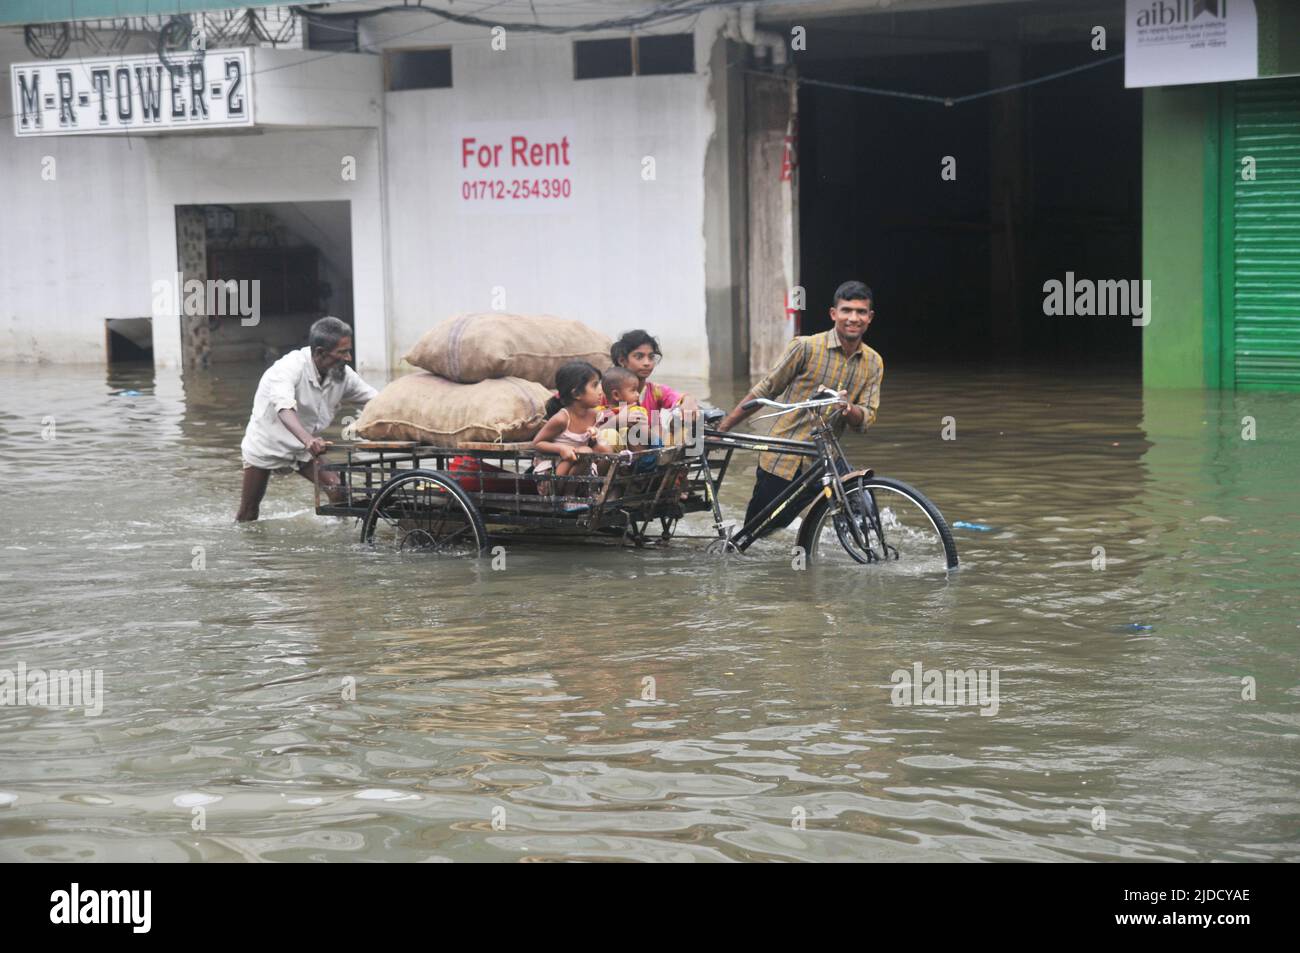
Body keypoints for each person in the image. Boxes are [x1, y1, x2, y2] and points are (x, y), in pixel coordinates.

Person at [716, 280, 884, 539]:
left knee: (863, 509)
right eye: (846, 310)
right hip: (784, 456)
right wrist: (724, 428)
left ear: (870, 317)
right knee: (755, 535)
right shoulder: (805, 347)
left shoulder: (873, 362)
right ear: (833, 314)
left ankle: (868, 560)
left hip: (826, 457)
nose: (853, 318)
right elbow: (766, 389)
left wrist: (848, 408)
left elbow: (866, 419)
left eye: (861, 312)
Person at [236, 316, 377, 522]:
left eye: (349, 351)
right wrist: (308, 440)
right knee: (249, 512)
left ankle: (339, 539)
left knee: (338, 490)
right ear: (319, 353)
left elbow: (374, 400)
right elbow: (284, 407)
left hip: (304, 448)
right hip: (267, 444)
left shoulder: (342, 375)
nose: (348, 358)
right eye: (342, 352)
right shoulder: (288, 368)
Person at [532, 361, 613, 492]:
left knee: (604, 447)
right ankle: (568, 496)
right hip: (556, 468)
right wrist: (561, 448)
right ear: (576, 394)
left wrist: (595, 434)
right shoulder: (562, 418)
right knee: (585, 451)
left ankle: (594, 489)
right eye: (595, 385)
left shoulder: (595, 414)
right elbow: (537, 443)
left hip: (580, 465)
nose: (600, 390)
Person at [610, 330, 701, 421]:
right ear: (622, 361)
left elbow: (678, 398)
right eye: (639, 357)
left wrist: (689, 400)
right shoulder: (606, 392)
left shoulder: (657, 391)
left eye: (651, 357)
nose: (647, 363)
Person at [596, 366, 652, 452]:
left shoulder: (635, 410)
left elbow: (647, 436)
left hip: (635, 456)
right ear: (616, 395)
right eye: (633, 390)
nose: (637, 394)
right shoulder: (599, 412)